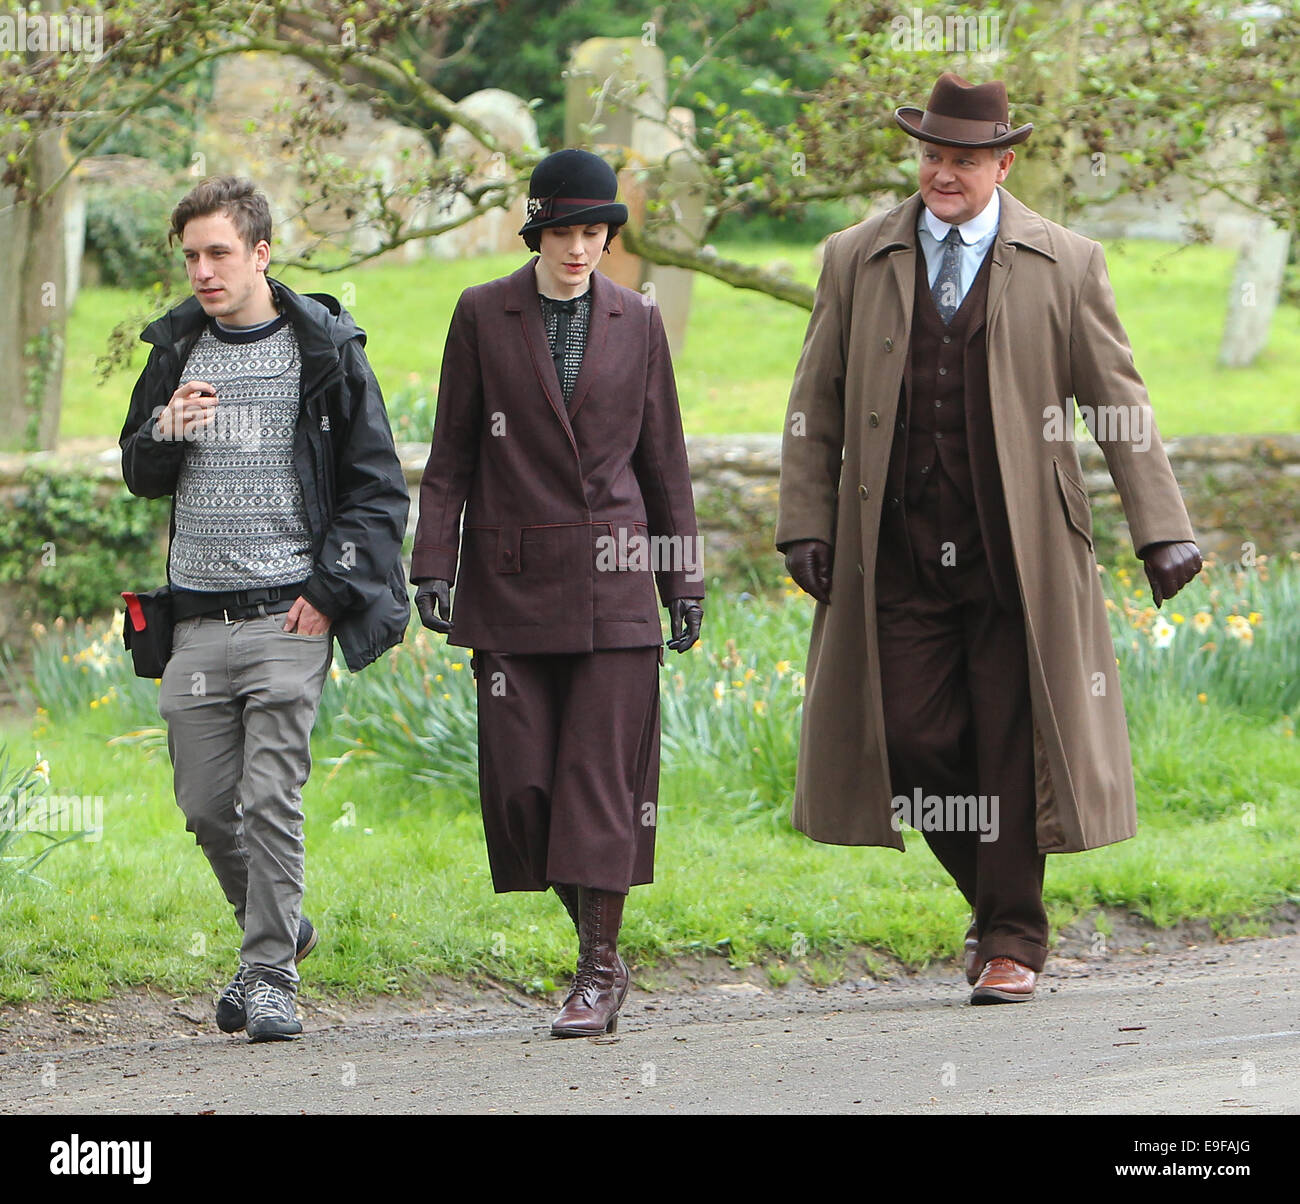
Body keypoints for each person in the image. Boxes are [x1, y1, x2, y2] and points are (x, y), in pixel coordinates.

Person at [775, 74, 1202, 1004]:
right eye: (932, 156)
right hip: (893, 550)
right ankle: (993, 899)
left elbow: (1117, 403)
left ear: (1002, 164)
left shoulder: (1068, 262)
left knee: (1011, 746)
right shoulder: (856, 256)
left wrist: (1160, 529)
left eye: (963, 160)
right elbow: (815, 402)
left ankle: (1013, 939)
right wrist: (803, 521)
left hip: (1021, 554)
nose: (943, 173)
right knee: (911, 735)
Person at [412, 148, 704, 1037]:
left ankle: (595, 970)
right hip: (510, 583)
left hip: (617, 585)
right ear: (537, 232)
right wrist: (434, 566)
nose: (581, 249)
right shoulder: (482, 314)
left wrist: (681, 576)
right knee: (525, 790)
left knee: (599, 785)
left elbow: (665, 462)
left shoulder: (638, 320)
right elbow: (452, 454)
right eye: (566, 232)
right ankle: (600, 956)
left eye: (595, 232)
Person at [119, 176, 411, 1041]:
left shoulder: (323, 350)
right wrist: (164, 431)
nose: (203, 272)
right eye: (191, 257)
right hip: (197, 620)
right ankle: (284, 928)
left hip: (290, 614)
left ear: (261, 253)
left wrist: (330, 591)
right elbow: (137, 473)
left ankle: (271, 973)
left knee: (270, 796)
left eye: (218, 253)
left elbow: (377, 491)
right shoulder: (175, 350)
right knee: (209, 806)